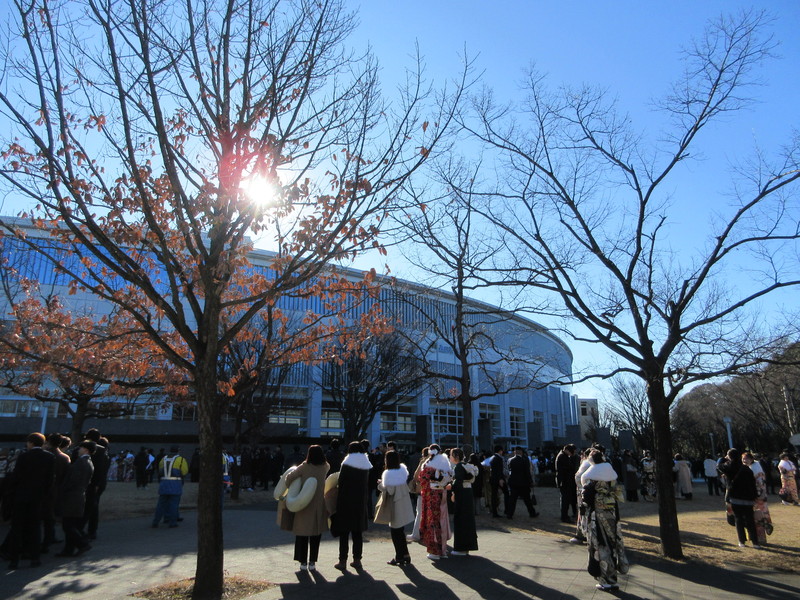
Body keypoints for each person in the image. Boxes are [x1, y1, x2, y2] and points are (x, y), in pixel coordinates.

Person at [5, 432, 56, 569]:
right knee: (35, 528)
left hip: (21, 496)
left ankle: (14, 560)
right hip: (38, 497)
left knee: (17, 528)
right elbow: (50, 480)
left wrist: (11, 494)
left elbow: (16, 477)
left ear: (31, 443)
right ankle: (35, 558)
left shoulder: (23, 457)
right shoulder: (49, 457)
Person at [581, 449, 629, 591]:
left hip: (597, 515)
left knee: (600, 544)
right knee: (612, 543)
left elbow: (586, 497)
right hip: (612, 512)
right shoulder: (610, 473)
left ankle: (605, 578)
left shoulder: (591, 475)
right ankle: (613, 578)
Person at [285, 445, 329, 571]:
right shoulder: (325, 467)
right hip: (319, 504)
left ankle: (303, 562)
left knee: (302, 534)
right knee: (316, 534)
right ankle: (313, 562)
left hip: (303, 503)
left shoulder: (304, 467)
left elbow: (289, 478)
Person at [330, 441, 371, 570]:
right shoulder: (365, 464)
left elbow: (341, 481)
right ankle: (357, 560)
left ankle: (342, 561)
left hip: (345, 501)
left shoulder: (347, 463)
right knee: (357, 533)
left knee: (344, 533)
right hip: (360, 502)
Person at [375, 450, 414, 566]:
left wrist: (381, 484)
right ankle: (405, 555)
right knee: (400, 532)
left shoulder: (388, 473)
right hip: (403, 504)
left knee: (396, 533)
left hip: (395, 505)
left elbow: (390, 490)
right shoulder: (402, 470)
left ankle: (399, 557)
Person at [57, 440, 95, 558]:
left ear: (86, 450)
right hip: (79, 495)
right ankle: (68, 549)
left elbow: (73, 480)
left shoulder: (81, 463)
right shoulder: (89, 462)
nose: (78, 450)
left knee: (67, 525)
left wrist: (63, 489)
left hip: (72, 496)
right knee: (71, 524)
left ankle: (82, 544)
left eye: (81, 448)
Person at [719, 448, 759, 548]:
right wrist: (755, 496)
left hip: (735, 497)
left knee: (738, 519)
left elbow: (719, 466)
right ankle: (755, 542)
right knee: (750, 520)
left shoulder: (729, 468)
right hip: (748, 497)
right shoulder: (746, 469)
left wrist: (724, 459)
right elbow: (753, 483)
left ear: (729, 456)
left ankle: (742, 541)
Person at [417, 443, 452, 560]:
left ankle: (434, 551)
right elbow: (449, 477)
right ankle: (443, 550)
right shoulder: (445, 462)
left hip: (431, 495)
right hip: (442, 493)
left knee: (432, 521)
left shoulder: (428, 464)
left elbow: (422, 479)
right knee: (442, 520)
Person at [448, 448, 478, 556]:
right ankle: (467, 547)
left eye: (451, 455)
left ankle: (460, 548)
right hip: (468, 493)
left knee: (460, 520)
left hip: (462, 495)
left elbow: (458, 482)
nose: (450, 457)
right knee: (467, 520)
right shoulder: (466, 465)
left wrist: (451, 489)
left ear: (456, 456)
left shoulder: (459, 467)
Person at [82, 429, 110, 540]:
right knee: (93, 506)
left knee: (89, 506)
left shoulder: (93, 450)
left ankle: (82, 529)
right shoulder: (103, 451)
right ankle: (91, 530)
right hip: (99, 482)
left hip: (91, 482)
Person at [151, 446, 188, 528]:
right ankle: (172, 522)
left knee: (161, 504)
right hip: (175, 484)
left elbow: (160, 470)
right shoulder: (181, 459)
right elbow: (184, 471)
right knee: (174, 504)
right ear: (178, 451)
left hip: (164, 484)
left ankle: (156, 521)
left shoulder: (163, 459)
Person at [743, 451, 772, 545]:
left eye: (746, 459)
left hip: (756, 495)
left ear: (751, 459)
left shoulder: (753, 468)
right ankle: (757, 537)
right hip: (759, 495)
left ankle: (758, 538)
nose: (744, 461)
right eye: (743, 459)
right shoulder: (756, 466)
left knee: (757, 517)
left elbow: (758, 483)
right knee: (758, 516)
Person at [506, 446, 538, 518]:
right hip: (523, 482)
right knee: (527, 500)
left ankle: (509, 514)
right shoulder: (525, 459)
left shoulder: (510, 460)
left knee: (512, 499)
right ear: (521, 452)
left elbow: (508, 470)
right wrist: (530, 481)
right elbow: (527, 472)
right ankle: (532, 513)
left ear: (515, 452)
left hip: (513, 482)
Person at [555, 444, 578, 523]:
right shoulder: (562, 457)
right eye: (571, 452)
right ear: (567, 450)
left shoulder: (562, 455)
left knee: (565, 500)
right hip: (565, 481)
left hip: (564, 481)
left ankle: (564, 516)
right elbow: (565, 469)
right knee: (565, 500)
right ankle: (564, 517)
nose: (571, 454)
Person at [486, 445, 508, 518]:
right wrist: (500, 479)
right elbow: (499, 470)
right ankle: (506, 510)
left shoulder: (492, 458)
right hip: (499, 478)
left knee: (494, 495)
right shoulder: (499, 458)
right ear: (500, 451)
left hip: (493, 478)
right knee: (506, 493)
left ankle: (494, 512)